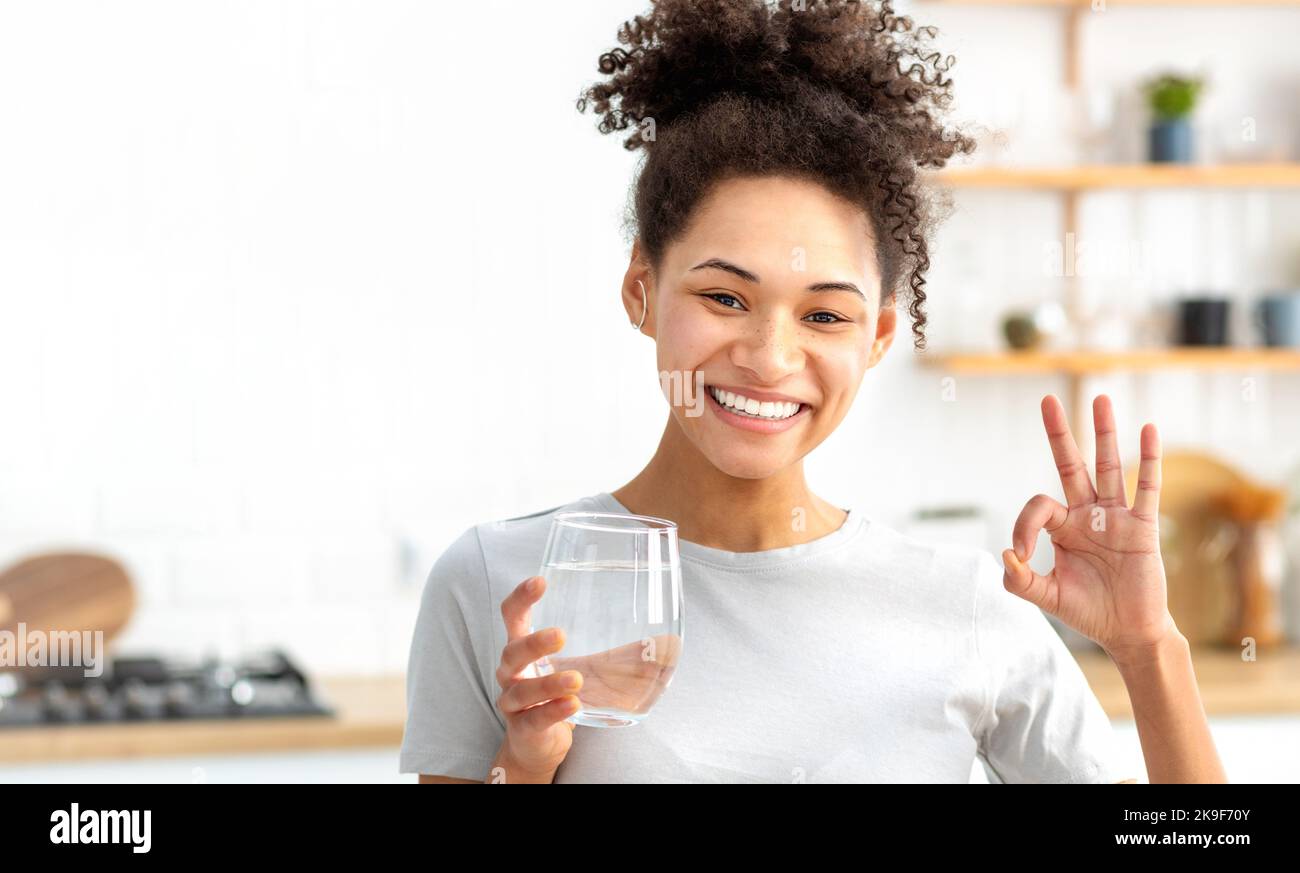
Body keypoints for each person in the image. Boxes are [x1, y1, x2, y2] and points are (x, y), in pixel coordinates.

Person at [400, 0, 1226, 784]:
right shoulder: (499, 583)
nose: (768, 356)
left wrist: (1151, 647)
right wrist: (526, 761)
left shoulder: (972, 607)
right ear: (640, 291)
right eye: (724, 297)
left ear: (876, 341)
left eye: (825, 314)